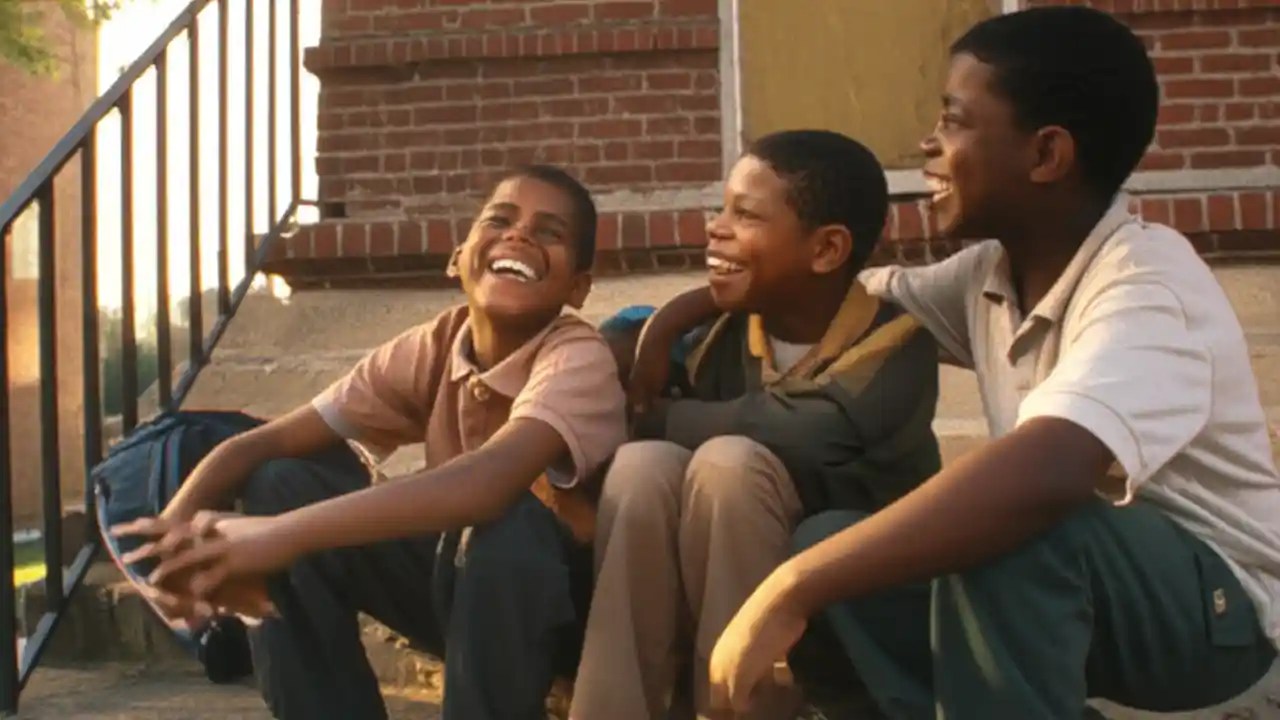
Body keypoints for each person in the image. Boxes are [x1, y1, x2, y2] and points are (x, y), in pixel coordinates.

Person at [708, 7, 1280, 719]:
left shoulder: (1147, 285)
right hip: (1083, 597)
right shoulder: (985, 276)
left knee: (1009, 527)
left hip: (1220, 627)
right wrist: (676, 312)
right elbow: (827, 294)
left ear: (1046, 155)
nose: (928, 143)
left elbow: (1049, 470)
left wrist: (793, 585)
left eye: (953, 121)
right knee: (837, 542)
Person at [116, 165, 628, 720]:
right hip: (463, 597)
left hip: (567, 619)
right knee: (282, 480)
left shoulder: (577, 356)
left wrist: (278, 536)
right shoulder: (435, 345)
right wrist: (169, 543)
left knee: (507, 521)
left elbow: (486, 484)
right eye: (499, 220)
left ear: (579, 286)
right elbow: (262, 443)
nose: (519, 235)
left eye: (549, 231)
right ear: (457, 257)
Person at [570, 130, 942, 720]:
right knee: (644, 468)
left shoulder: (897, 343)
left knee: (729, 465)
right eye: (722, 208)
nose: (716, 227)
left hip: (848, 611)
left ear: (826, 250)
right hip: (713, 596)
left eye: (745, 215)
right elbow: (627, 386)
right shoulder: (721, 336)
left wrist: (664, 415)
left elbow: (811, 432)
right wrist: (667, 323)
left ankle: (742, 708)